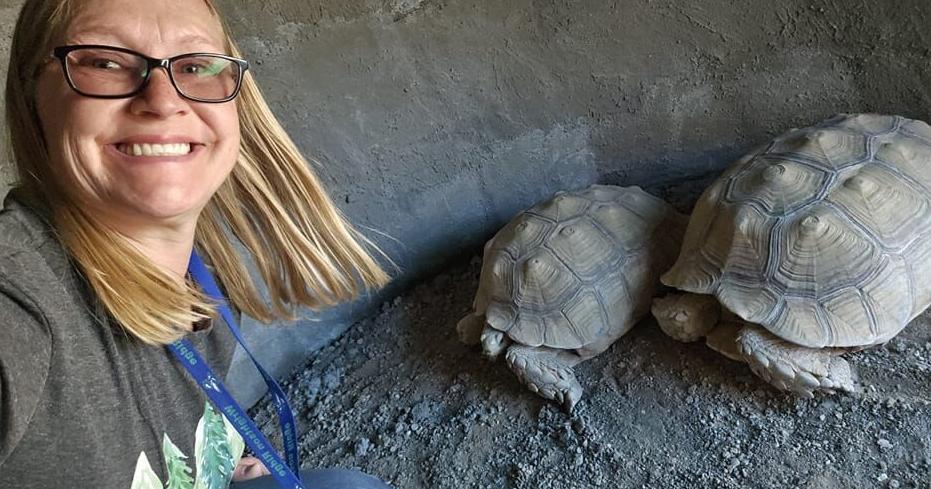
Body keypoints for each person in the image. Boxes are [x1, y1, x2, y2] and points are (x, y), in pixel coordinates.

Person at [1, 0, 393, 488]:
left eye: (196, 66)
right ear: (31, 94)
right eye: (104, 62)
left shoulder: (206, 270)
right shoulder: (20, 303)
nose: (163, 100)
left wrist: (213, 463)